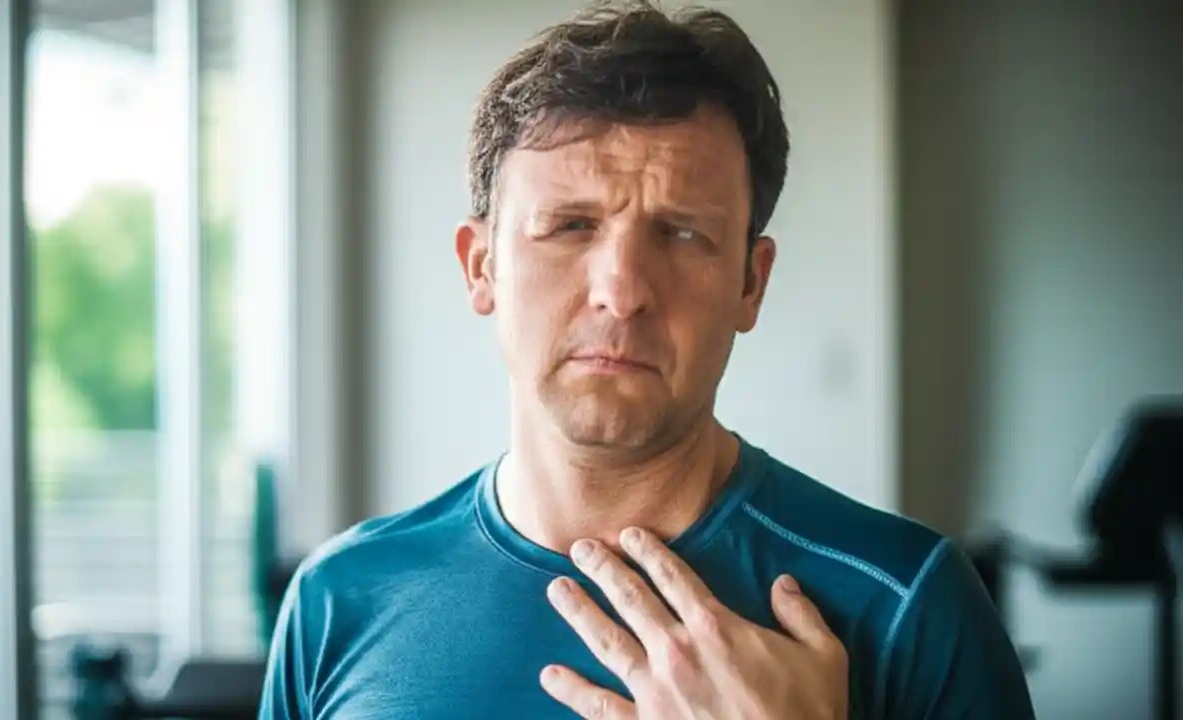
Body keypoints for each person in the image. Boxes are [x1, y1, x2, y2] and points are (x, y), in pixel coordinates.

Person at [259, 2, 1035, 718]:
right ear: (480, 266)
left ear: (750, 283)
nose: (623, 291)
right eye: (569, 226)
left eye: (683, 234)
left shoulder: (911, 605)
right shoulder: (338, 601)